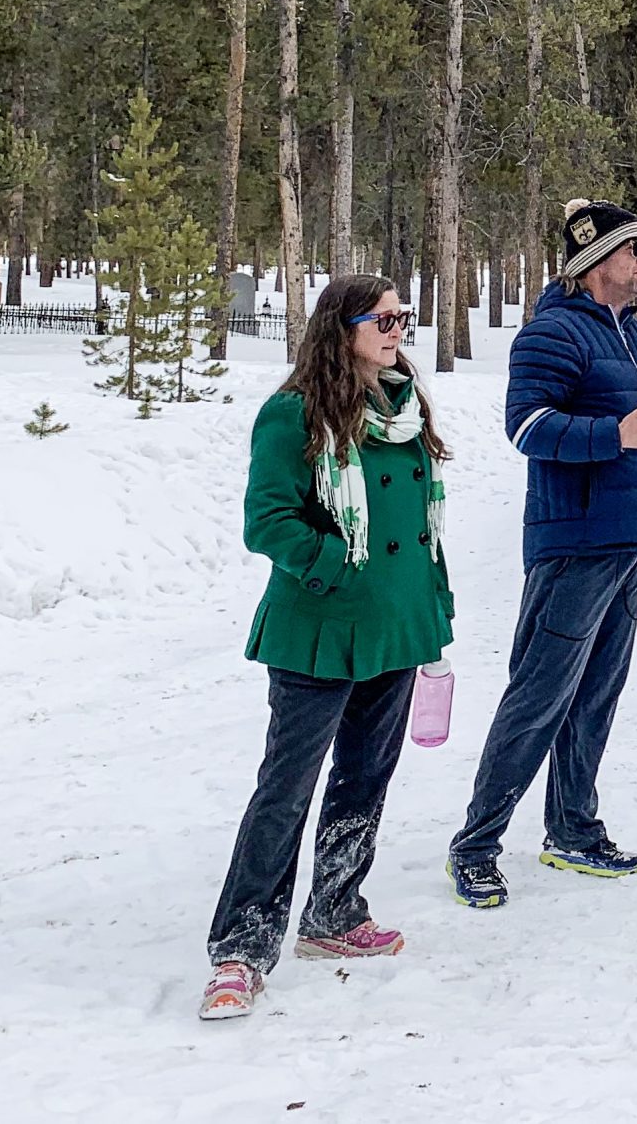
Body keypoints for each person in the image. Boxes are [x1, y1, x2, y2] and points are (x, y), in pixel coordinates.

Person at [448, 199, 637, 906]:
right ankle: (475, 845)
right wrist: (613, 436)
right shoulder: (552, 333)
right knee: (538, 698)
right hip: (571, 544)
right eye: (634, 250)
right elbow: (529, 425)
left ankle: (571, 827)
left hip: (630, 541)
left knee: (596, 694)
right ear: (595, 261)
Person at [201, 275, 454, 1022]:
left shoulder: (405, 406)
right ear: (339, 326)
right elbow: (267, 521)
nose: (396, 329)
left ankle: (334, 913)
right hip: (319, 629)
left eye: (402, 317)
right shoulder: (293, 413)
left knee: (364, 781)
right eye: (381, 318)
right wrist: (333, 564)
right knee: (285, 790)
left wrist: (433, 608)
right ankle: (241, 947)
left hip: (397, 628)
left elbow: (422, 527)